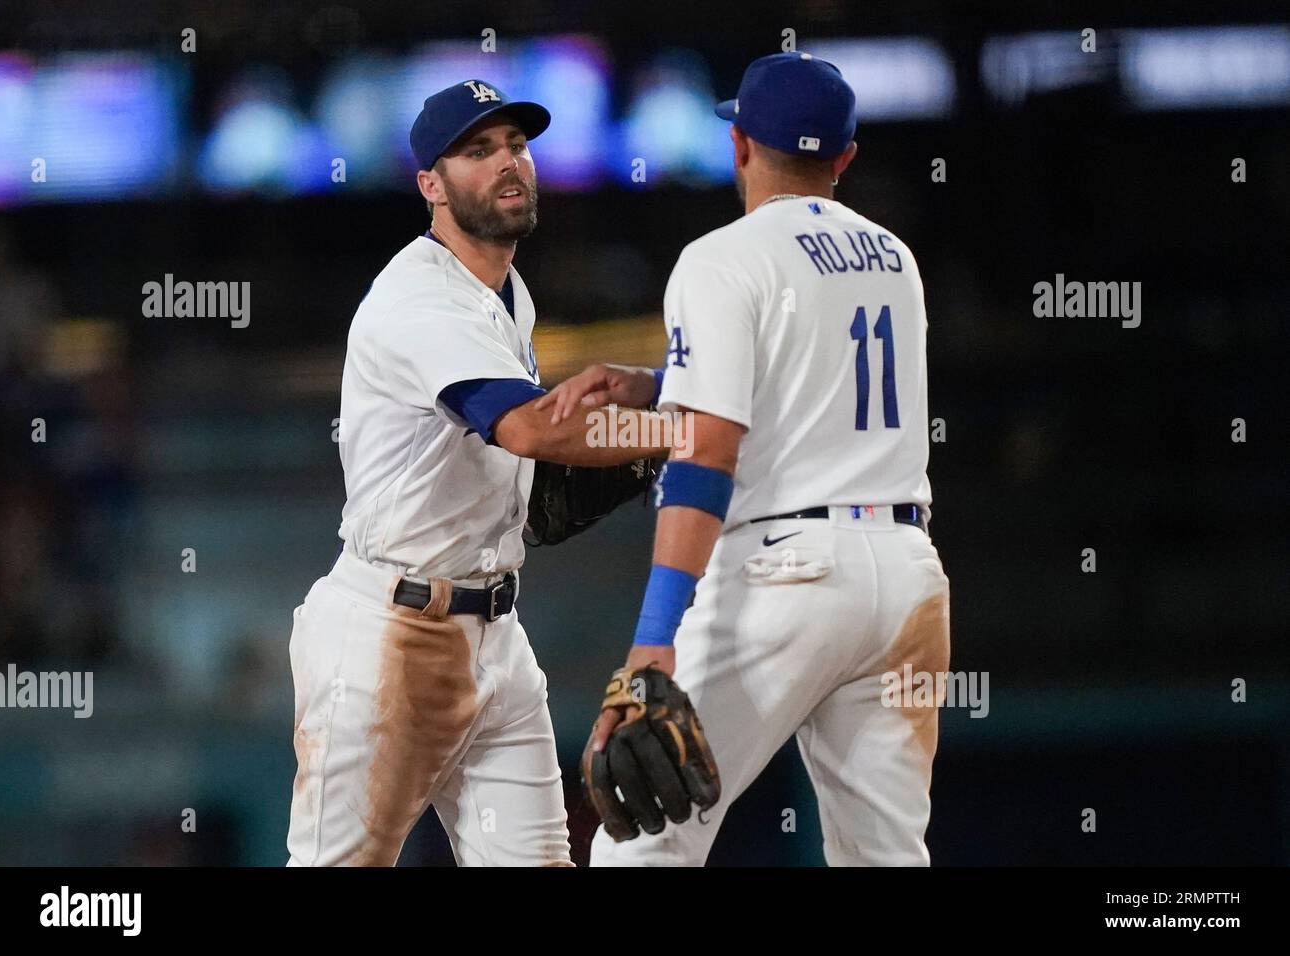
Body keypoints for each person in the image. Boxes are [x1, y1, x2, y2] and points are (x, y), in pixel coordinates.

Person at [543, 52, 951, 866]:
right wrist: (663, 383)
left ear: (739, 146)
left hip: (787, 576)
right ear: (844, 159)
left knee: (641, 847)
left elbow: (706, 452)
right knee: (886, 858)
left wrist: (652, 640)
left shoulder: (721, 257)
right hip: (907, 579)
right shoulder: (895, 259)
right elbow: (814, 386)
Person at [285, 78, 668, 866]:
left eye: (517, 145)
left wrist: (647, 433)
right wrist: (681, 428)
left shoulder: (505, 295)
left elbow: (528, 488)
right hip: (392, 636)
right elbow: (529, 428)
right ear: (431, 184)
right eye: (477, 150)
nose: (508, 163)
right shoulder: (419, 298)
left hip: (494, 633)